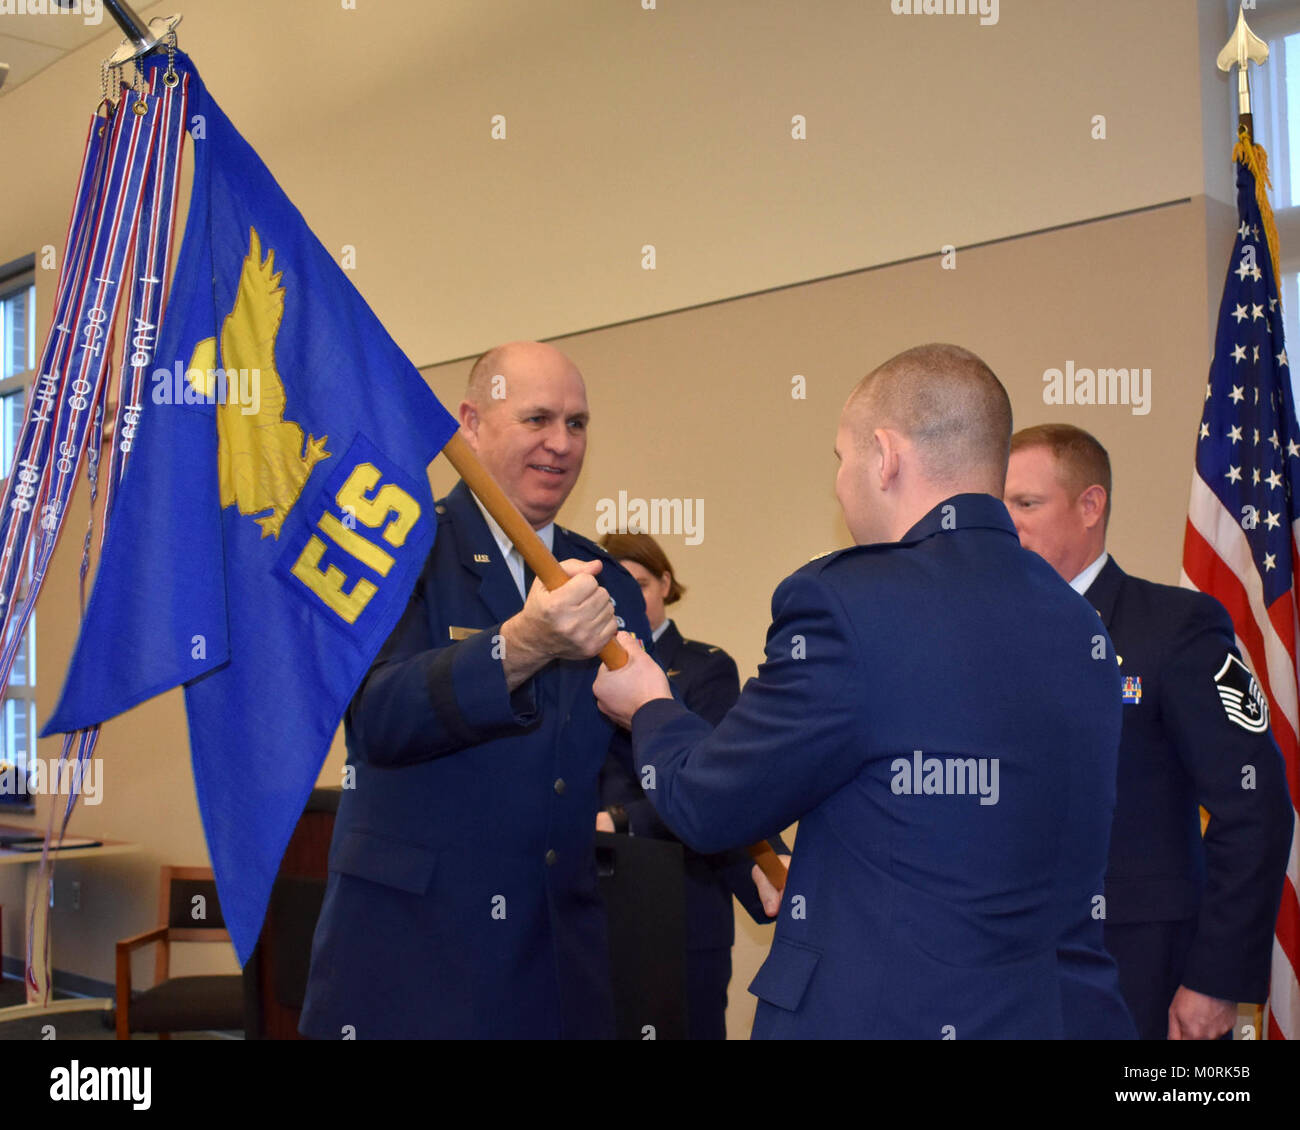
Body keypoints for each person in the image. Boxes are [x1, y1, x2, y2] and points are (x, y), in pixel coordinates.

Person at [593, 343, 1135, 1039]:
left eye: (840, 459)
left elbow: (707, 802)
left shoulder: (846, 601)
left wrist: (648, 705)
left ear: (885, 456)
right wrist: (817, 882)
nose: (841, 483)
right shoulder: (1078, 619)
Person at [299, 341, 652, 1039]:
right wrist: (520, 645)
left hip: (556, 960)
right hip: (413, 958)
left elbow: (640, 749)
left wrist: (748, 865)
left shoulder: (607, 583)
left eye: (577, 424)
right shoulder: (394, 546)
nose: (560, 444)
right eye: (537, 419)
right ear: (470, 422)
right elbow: (377, 720)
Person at [1004, 423, 1293, 1040]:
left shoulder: (1175, 627)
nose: (1008, 522)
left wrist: (1214, 979)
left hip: (1137, 973)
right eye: (997, 505)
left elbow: (1255, 807)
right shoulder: (984, 636)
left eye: (1025, 503)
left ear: (1090, 506)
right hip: (1006, 971)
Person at [596, 532, 784, 1041]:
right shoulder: (577, 667)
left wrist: (618, 818)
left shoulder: (706, 665)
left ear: (665, 583)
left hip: (684, 897)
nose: (629, 599)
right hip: (598, 899)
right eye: (617, 588)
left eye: (639, 584)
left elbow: (708, 777)